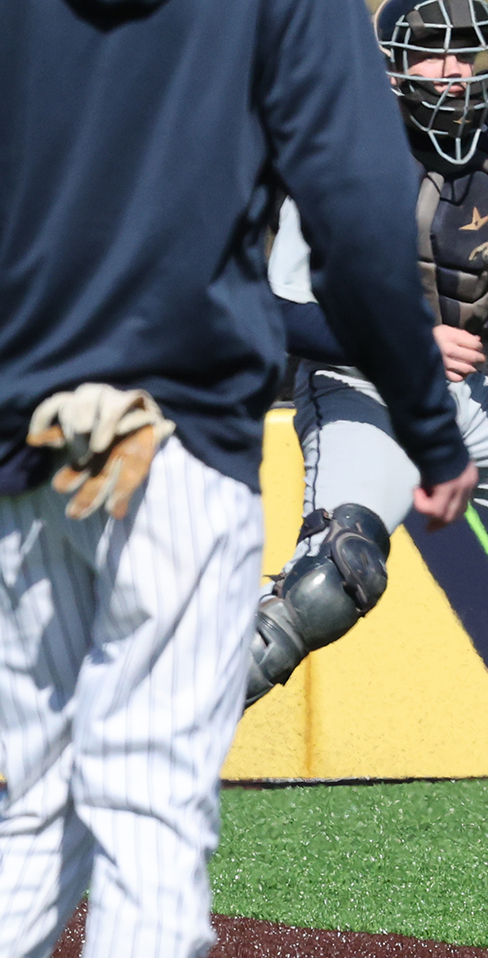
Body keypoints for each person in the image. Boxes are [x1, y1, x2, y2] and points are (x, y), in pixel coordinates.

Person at [0, 0, 476, 958]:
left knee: (38, 811)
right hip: (167, 428)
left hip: (19, 414)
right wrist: (430, 429)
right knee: (150, 821)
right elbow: (353, 217)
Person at [249, 0, 488, 706]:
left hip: (476, 393)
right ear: (389, 66)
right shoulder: (337, 151)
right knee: (331, 580)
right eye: (430, 52)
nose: (451, 73)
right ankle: (156, 733)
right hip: (363, 387)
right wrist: (403, 344)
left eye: (464, 52)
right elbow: (274, 311)